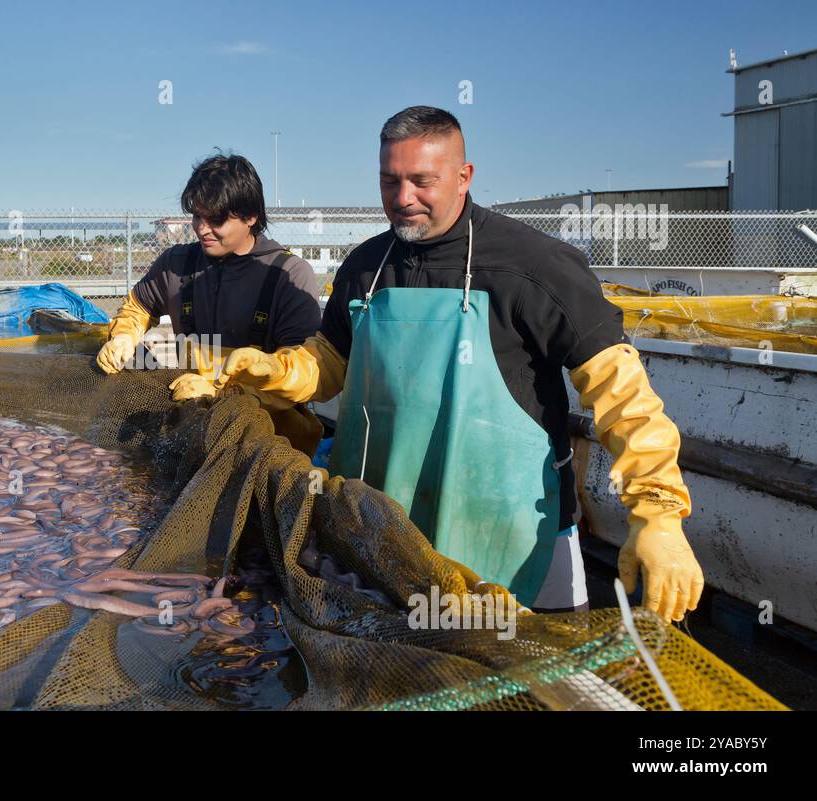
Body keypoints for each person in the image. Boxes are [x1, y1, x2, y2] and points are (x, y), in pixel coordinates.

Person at [194, 106, 703, 620]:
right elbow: (327, 362)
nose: (403, 197)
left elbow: (623, 394)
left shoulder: (534, 265)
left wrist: (657, 514)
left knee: (530, 685)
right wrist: (275, 372)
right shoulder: (366, 267)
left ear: (464, 177)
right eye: (389, 181)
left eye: (422, 181)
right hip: (385, 535)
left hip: (515, 538)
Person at [95, 152, 325, 454]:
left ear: (251, 217)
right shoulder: (175, 263)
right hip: (192, 430)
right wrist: (125, 335)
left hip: (267, 441)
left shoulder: (289, 275)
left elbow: (299, 373)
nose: (202, 229)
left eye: (215, 219)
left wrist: (224, 390)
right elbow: (139, 307)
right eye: (197, 217)